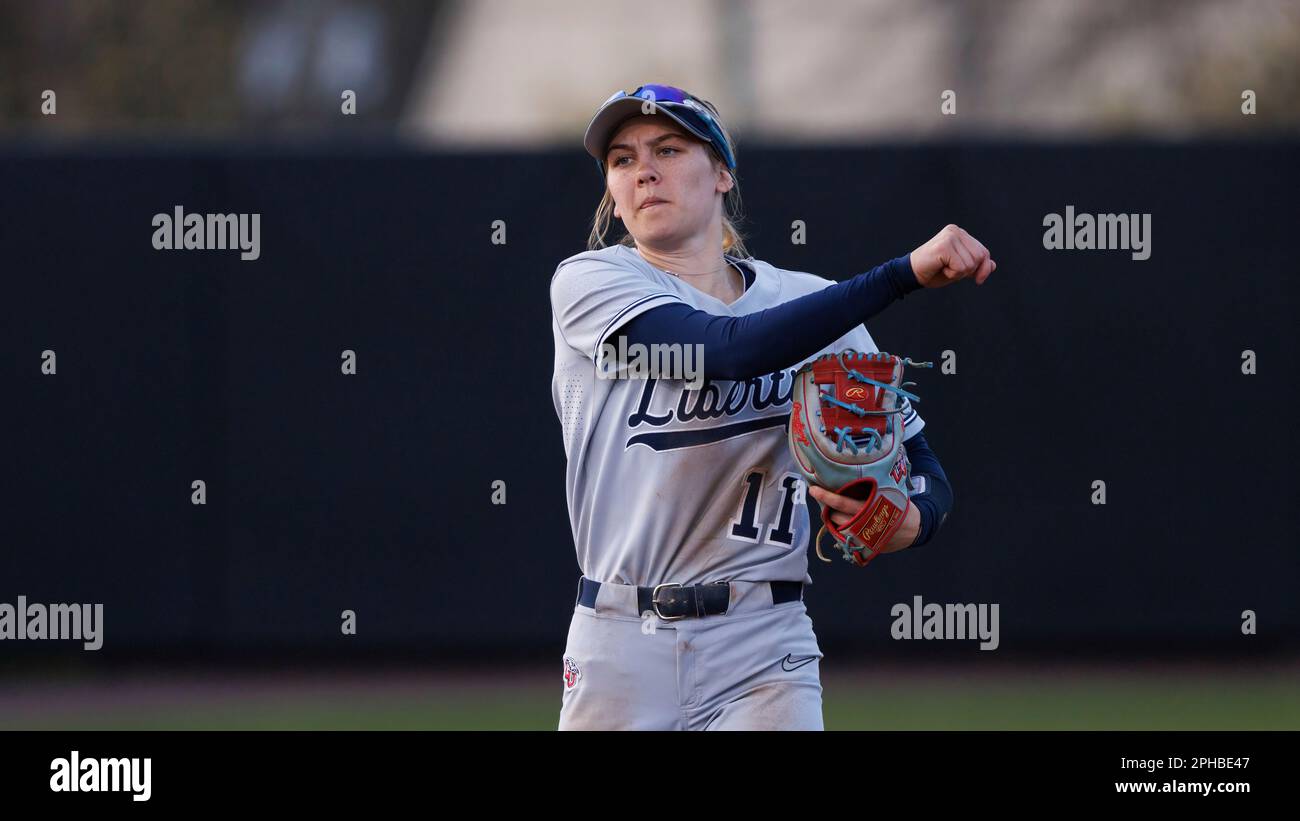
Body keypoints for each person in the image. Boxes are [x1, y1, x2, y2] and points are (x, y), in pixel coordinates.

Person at [550, 84, 994, 730]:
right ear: (614, 194)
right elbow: (727, 350)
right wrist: (900, 276)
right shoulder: (591, 284)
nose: (643, 169)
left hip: (763, 643)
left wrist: (915, 516)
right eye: (621, 159)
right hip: (621, 642)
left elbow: (928, 470)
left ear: (723, 172)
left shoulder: (808, 304)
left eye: (668, 148)